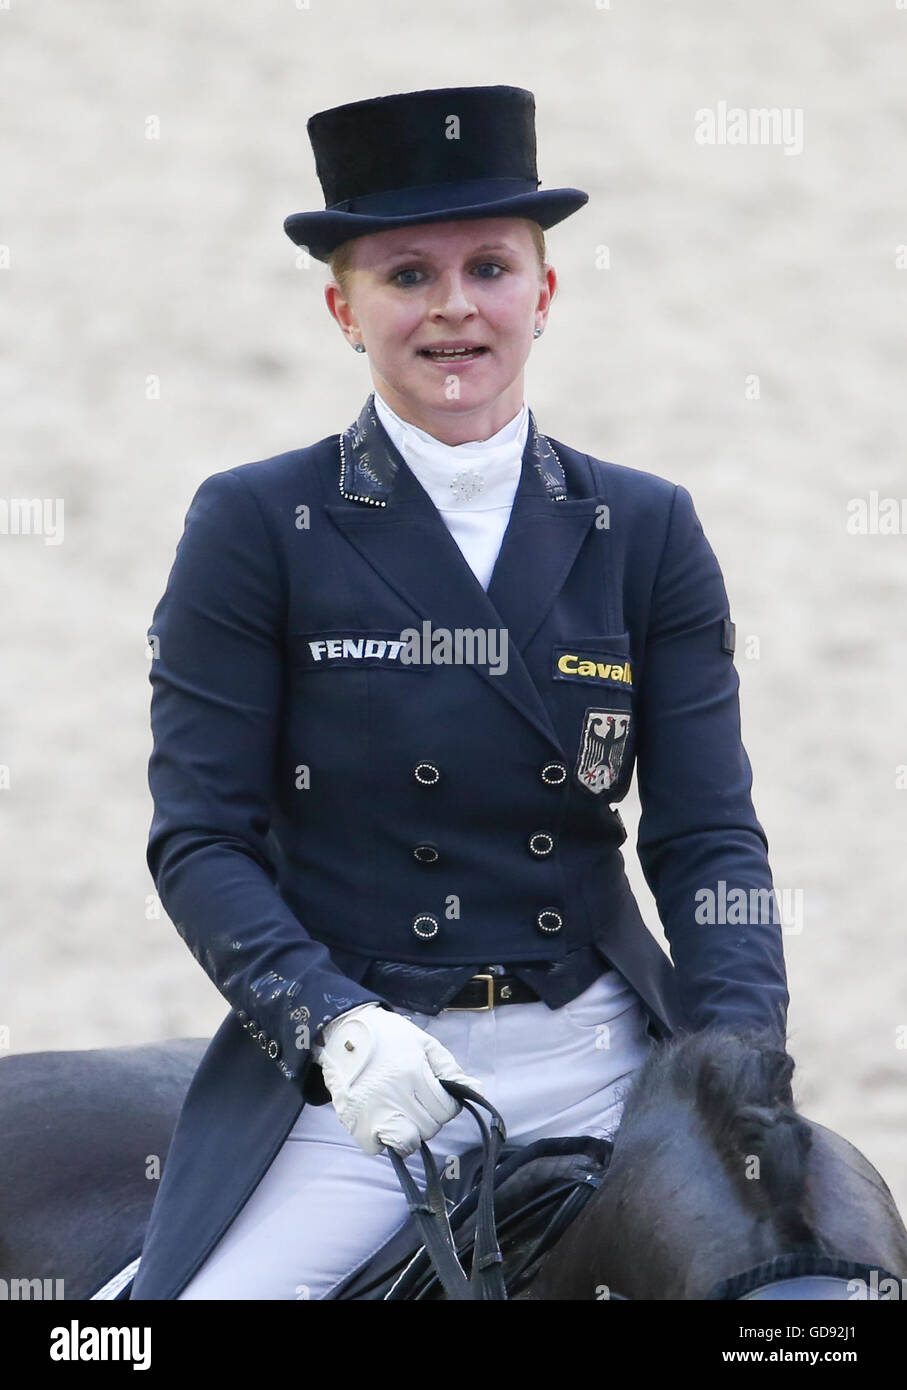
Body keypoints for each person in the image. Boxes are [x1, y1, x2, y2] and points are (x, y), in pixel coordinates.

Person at [129, 85, 789, 1301]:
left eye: (488, 267)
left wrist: (739, 1047)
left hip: (605, 1059)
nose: (452, 308)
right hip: (372, 1077)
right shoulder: (255, 523)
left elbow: (706, 838)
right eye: (404, 276)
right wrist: (332, 1026)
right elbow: (201, 838)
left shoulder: (644, 528)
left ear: (543, 293)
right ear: (342, 309)